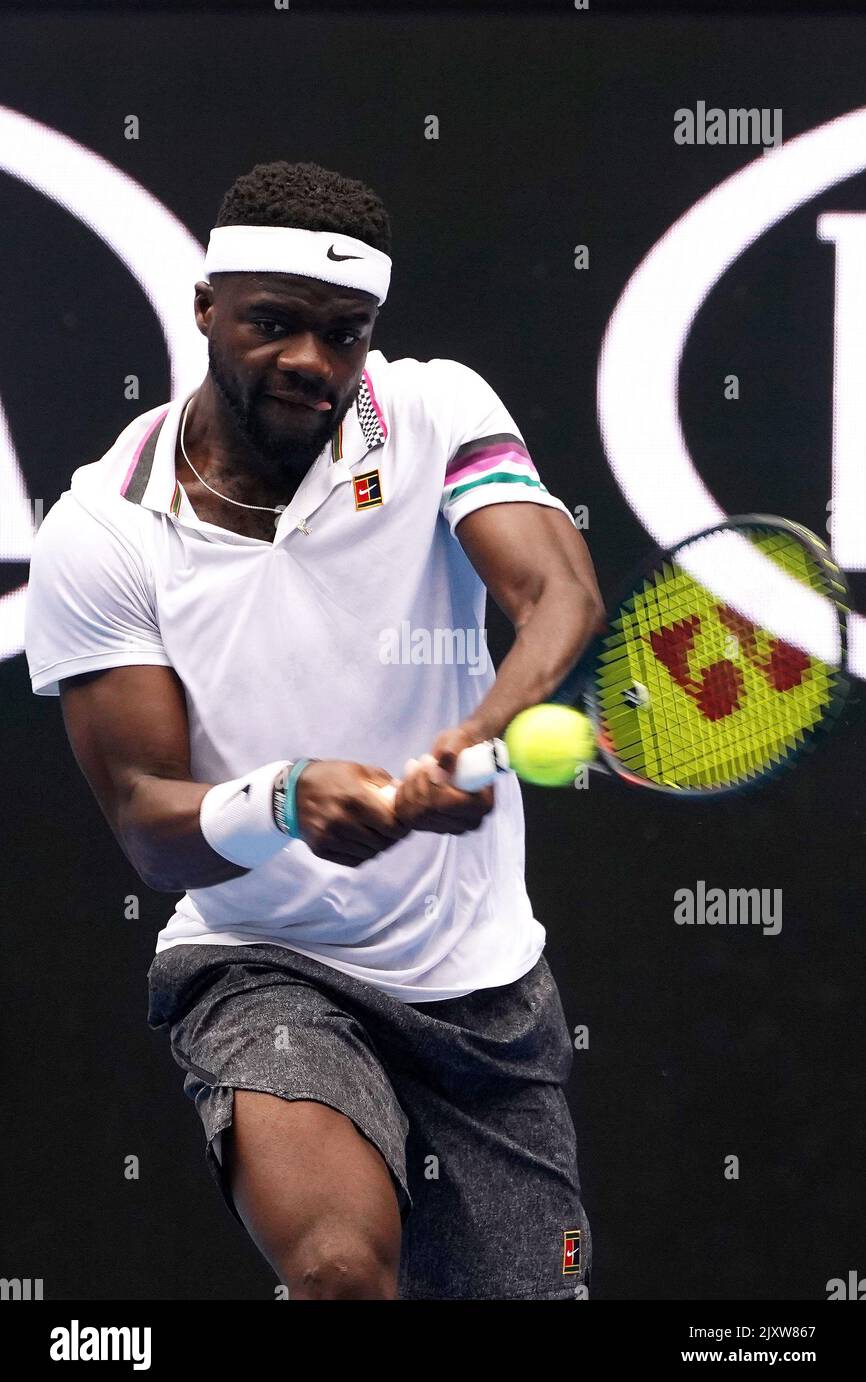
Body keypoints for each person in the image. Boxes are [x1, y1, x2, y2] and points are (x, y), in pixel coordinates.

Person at [25, 159, 604, 1300]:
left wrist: (477, 729)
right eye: (274, 323)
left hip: (483, 989)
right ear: (204, 309)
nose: (309, 361)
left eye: (343, 333)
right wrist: (285, 797)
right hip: (264, 964)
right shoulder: (103, 530)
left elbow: (558, 594)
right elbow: (148, 821)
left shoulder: (433, 412)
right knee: (339, 1272)